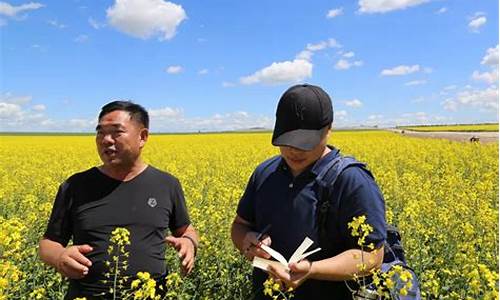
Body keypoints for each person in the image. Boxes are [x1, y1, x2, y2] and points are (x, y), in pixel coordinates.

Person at [231, 84, 387, 299]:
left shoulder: (352, 181)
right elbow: (240, 225)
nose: (294, 150)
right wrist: (247, 241)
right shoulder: (265, 172)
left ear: (328, 129)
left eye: (306, 143)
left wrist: (311, 270)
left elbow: (372, 256)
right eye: (287, 142)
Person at [39, 101, 198, 299]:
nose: (106, 140)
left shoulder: (167, 184)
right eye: (100, 132)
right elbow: (48, 243)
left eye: (116, 132)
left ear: (142, 137)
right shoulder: (75, 186)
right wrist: (59, 257)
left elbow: (186, 229)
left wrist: (189, 242)